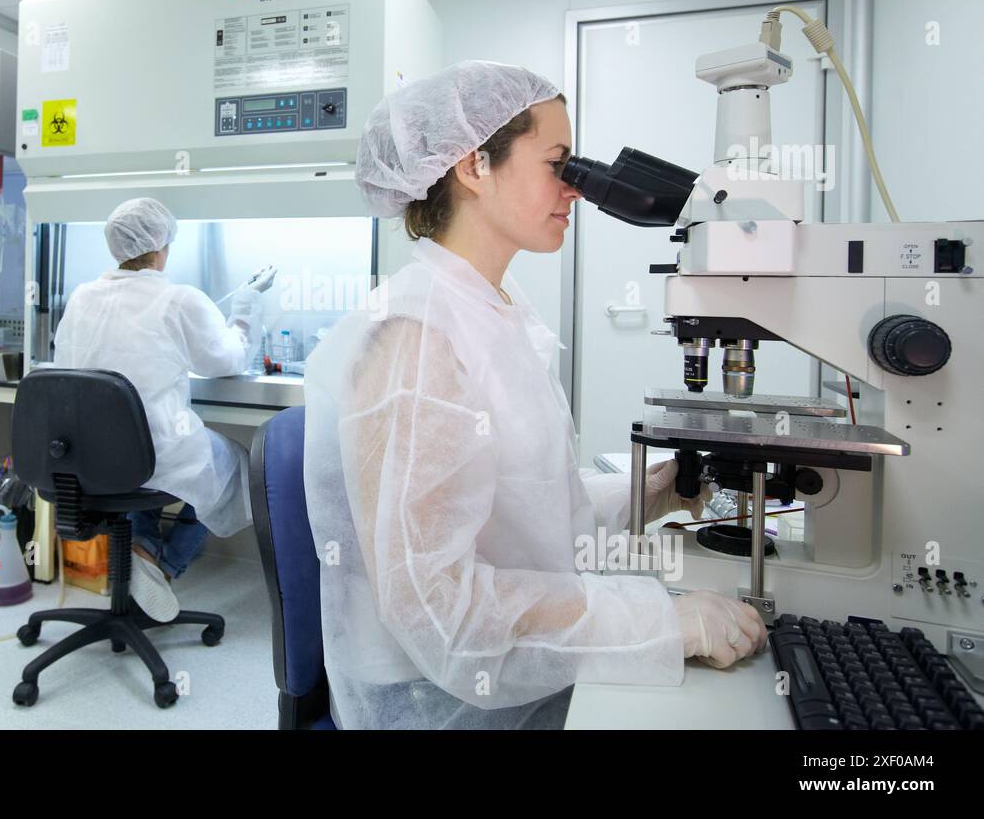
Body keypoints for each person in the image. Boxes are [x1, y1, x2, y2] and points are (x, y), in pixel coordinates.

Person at [303, 60, 768, 730]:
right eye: (559, 163)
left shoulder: (495, 307)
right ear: (474, 167)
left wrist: (656, 490)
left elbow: (525, 511)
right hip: (447, 701)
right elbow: (435, 607)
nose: (575, 190)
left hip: (514, 668)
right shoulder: (417, 336)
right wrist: (659, 622)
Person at [51, 197, 274, 622]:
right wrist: (245, 306)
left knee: (140, 471)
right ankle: (164, 565)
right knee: (242, 469)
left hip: (84, 458)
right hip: (154, 453)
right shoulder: (177, 299)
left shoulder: (81, 297)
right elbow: (226, 361)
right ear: (161, 247)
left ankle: (142, 551)